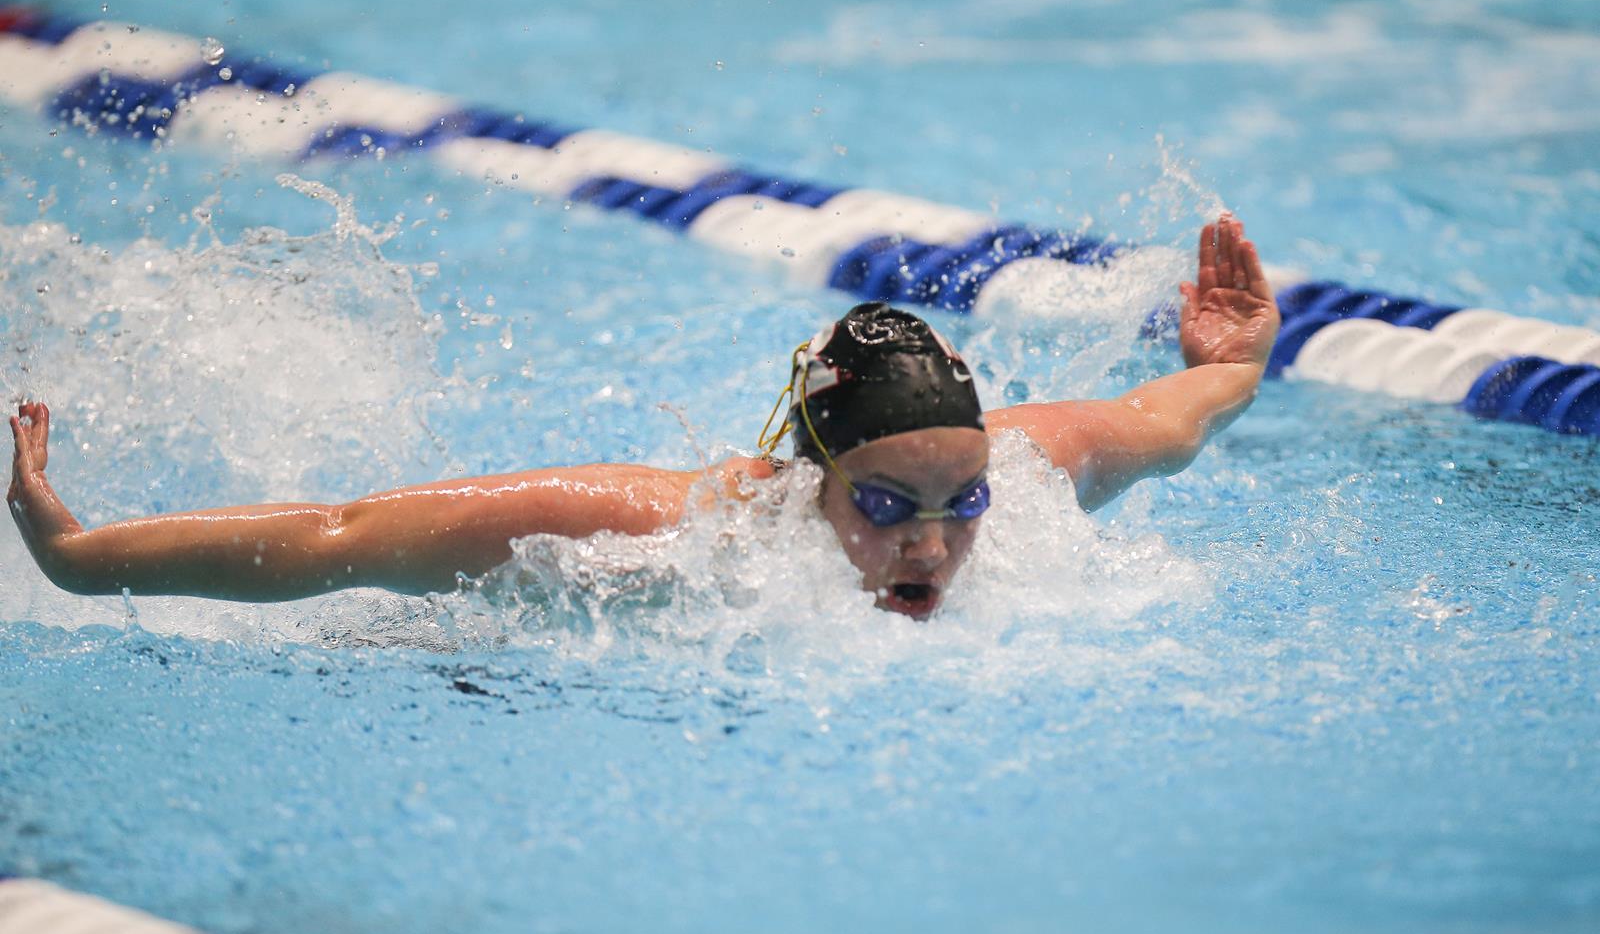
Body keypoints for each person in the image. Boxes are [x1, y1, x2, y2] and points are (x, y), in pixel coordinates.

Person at [9, 215, 1279, 619]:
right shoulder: (664, 532)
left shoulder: (1030, 475)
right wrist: (75, 555)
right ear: (810, 475)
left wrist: (1231, 361)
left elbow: (1163, 417)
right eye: (889, 507)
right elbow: (342, 533)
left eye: (965, 502)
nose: (933, 547)